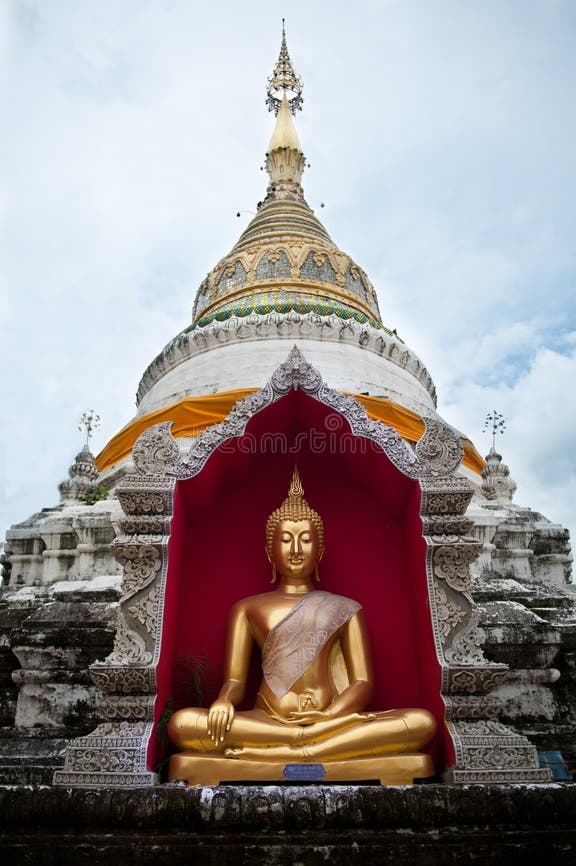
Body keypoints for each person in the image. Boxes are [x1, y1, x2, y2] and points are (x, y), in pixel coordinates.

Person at [168, 469, 435, 765]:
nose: (296, 550)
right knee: (183, 724)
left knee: (420, 722)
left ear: (320, 550)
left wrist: (329, 716)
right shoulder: (247, 608)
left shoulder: (345, 607)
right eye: (285, 540)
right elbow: (235, 680)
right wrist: (223, 701)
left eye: (306, 540)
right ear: (270, 550)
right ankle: (303, 744)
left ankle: (295, 748)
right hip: (267, 721)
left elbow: (362, 683)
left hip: (332, 721)